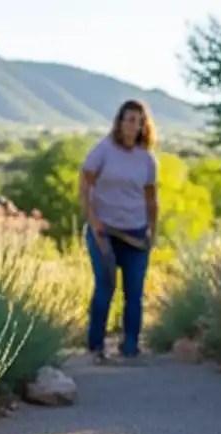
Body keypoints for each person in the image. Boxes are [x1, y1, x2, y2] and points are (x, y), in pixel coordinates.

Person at [79, 99, 159, 364]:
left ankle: (131, 346)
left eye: (139, 121)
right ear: (119, 122)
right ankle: (96, 346)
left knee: (134, 293)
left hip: (135, 232)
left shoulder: (147, 160)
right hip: (105, 230)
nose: (133, 125)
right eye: (129, 119)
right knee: (105, 288)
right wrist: (93, 220)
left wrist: (152, 231)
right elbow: (86, 184)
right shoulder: (103, 151)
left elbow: (151, 200)